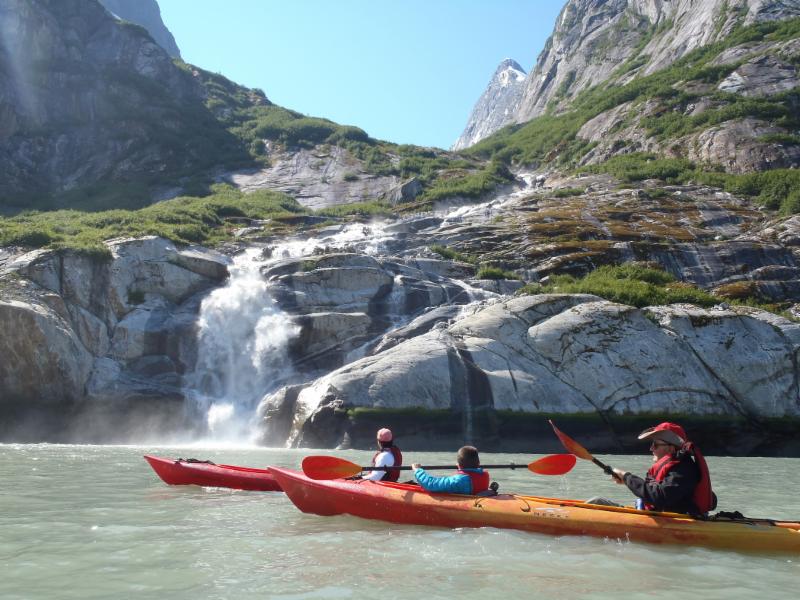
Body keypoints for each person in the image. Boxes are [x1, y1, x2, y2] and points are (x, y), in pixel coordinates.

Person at [609, 422, 716, 515]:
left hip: (676, 524)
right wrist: (627, 481)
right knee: (596, 502)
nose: (651, 448)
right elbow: (657, 491)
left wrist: (627, 477)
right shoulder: (678, 468)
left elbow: (659, 497)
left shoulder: (684, 470)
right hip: (659, 517)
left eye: (655, 445)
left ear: (671, 449)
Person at [411, 446, 490, 495]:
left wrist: (417, 470)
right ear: (478, 463)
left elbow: (430, 484)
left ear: (458, 465)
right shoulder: (484, 475)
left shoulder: (460, 480)